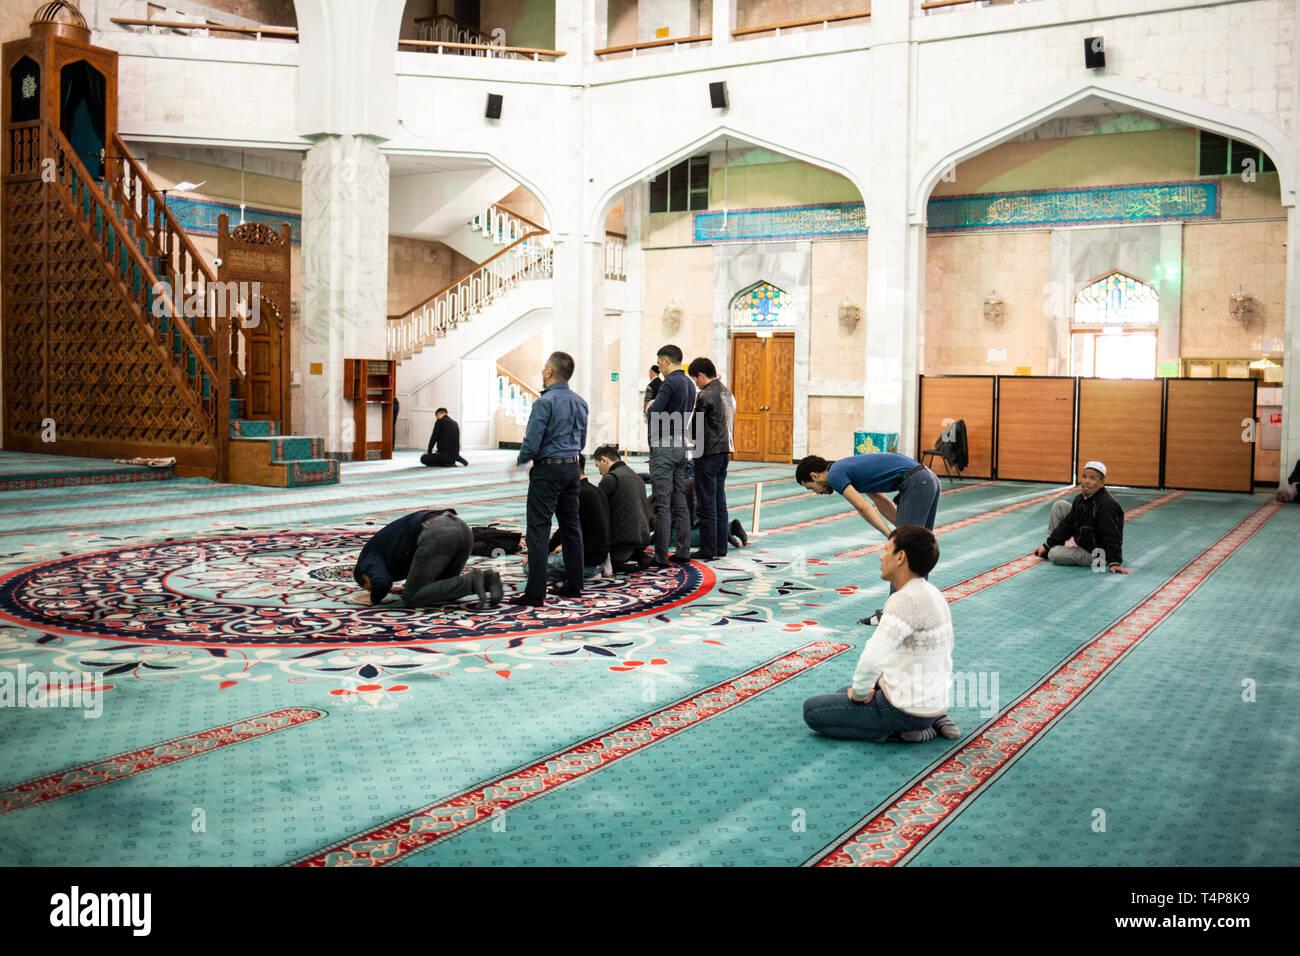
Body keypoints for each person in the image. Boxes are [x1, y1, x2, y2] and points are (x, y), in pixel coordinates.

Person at [802, 525, 960, 744]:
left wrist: (860, 694)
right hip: (934, 701)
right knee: (841, 692)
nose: (880, 556)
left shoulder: (904, 600)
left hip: (904, 709)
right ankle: (935, 719)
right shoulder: (932, 593)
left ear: (900, 557)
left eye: (886, 550)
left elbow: (872, 659)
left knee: (813, 712)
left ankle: (907, 733)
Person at [796, 450, 941, 625]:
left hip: (916, 483)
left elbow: (863, 507)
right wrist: (900, 532)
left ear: (815, 475)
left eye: (811, 487)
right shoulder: (848, 468)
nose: (817, 493)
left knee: (902, 554)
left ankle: (893, 614)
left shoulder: (835, 475)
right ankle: (917, 609)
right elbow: (881, 501)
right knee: (916, 550)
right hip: (928, 479)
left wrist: (894, 538)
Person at [510, 351, 589, 606]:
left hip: (547, 471)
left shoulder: (544, 403)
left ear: (548, 372)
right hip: (571, 469)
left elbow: (532, 443)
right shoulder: (580, 402)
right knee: (571, 527)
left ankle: (535, 592)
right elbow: (583, 442)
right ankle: (575, 585)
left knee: (538, 529)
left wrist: (520, 460)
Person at [353, 509, 501, 609]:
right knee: (440, 589)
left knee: (411, 598)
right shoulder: (386, 550)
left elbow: (382, 582)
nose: (371, 588)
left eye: (368, 586)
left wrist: (374, 598)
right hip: (462, 530)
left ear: (363, 574)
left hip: (437, 533)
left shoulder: (366, 559)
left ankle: (472, 581)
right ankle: (487, 580)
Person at [645, 344, 697, 567]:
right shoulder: (690, 383)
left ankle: (661, 556)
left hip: (664, 447)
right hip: (680, 445)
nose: (659, 367)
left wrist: (649, 406)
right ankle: (683, 551)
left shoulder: (669, 383)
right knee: (680, 502)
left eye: (659, 363)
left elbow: (655, 412)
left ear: (665, 361)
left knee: (663, 503)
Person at [1033, 460, 1129, 573]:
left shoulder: (1107, 505)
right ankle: (1055, 546)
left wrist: (1114, 562)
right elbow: (1067, 523)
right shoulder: (1081, 498)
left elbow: (1112, 535)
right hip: (1085, 539)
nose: (1087, 481)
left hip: (1096, 553)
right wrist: (1047, 545)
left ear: (1102, 483)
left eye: (1092, 478)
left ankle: (1056, 550)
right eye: (1084, 476)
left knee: (1054, 554)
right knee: (1060, 506)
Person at [688, 357, 736, 560]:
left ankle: (708, 549)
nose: (695, 383)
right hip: (725, 451)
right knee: (719, 500)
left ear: (700, 375)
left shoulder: (705, 395)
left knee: (706, 503)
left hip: (708, 453)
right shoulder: (726, 392)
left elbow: (694, 430)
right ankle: (720, 547)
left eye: (694, 379)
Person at [546, 455, 610, 582]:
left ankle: (584, 574)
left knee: (531, 568)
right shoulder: (597, 490)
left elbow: (564, 529)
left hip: (586, 562)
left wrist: (543, 554)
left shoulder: (575, 495)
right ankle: (590, 572)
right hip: (601, 559)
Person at [594, 444, 651, 572]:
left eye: (598, 466)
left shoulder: (610, 478)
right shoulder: (637, 478)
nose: (599, 471)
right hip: (642, 538)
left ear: (604, 460)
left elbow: (595, 511)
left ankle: (619, 560)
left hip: (622, 542)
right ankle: (635, 554)